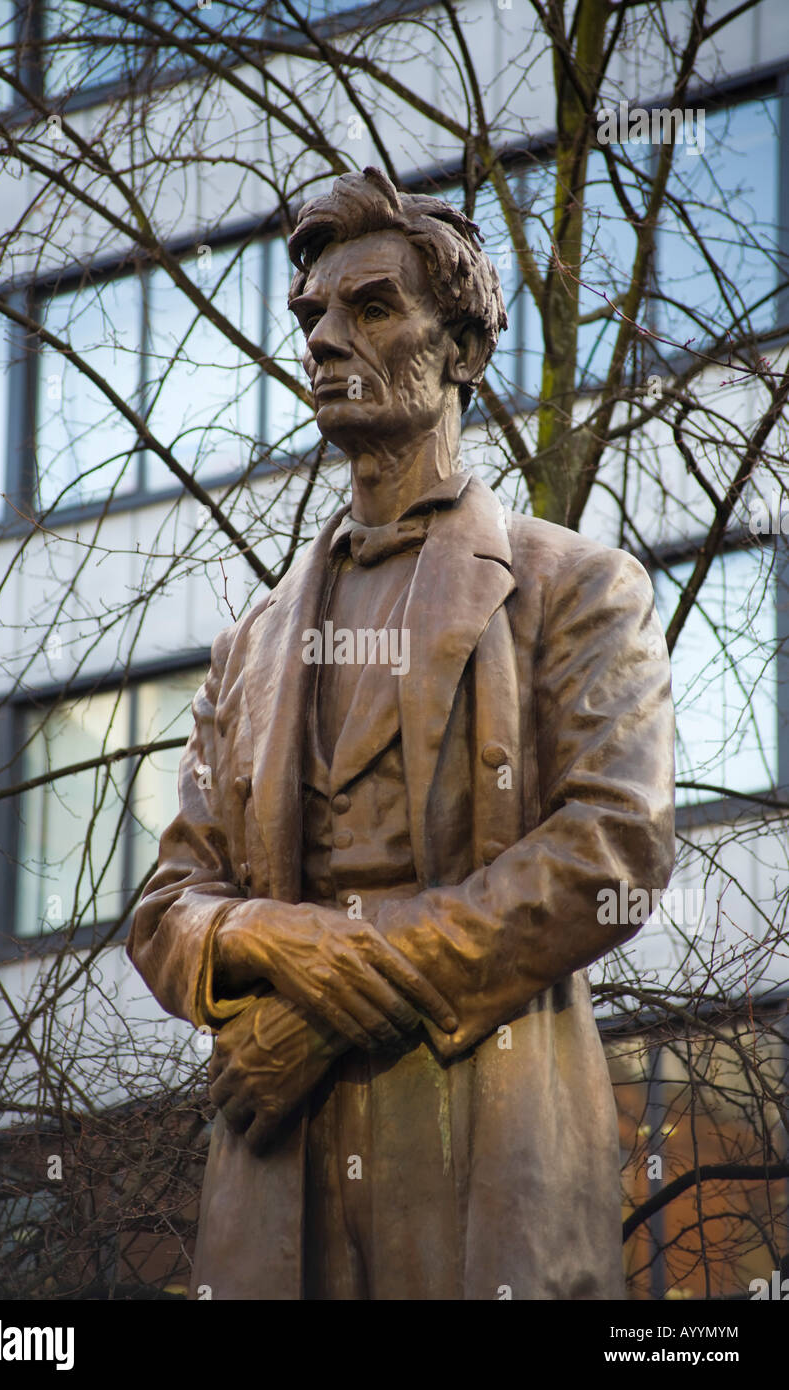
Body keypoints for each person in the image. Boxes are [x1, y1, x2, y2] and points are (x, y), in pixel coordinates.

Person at [127, 167, 675, 1300]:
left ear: (462, 351)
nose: (325, 338)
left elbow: (608, 849)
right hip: (275, 1168)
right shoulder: (248, 646)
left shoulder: (572, 586)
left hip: (481, 1115)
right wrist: (278, 942)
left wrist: (324, 1004)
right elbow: (167, 908)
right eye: (312, 317)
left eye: (370, 308)